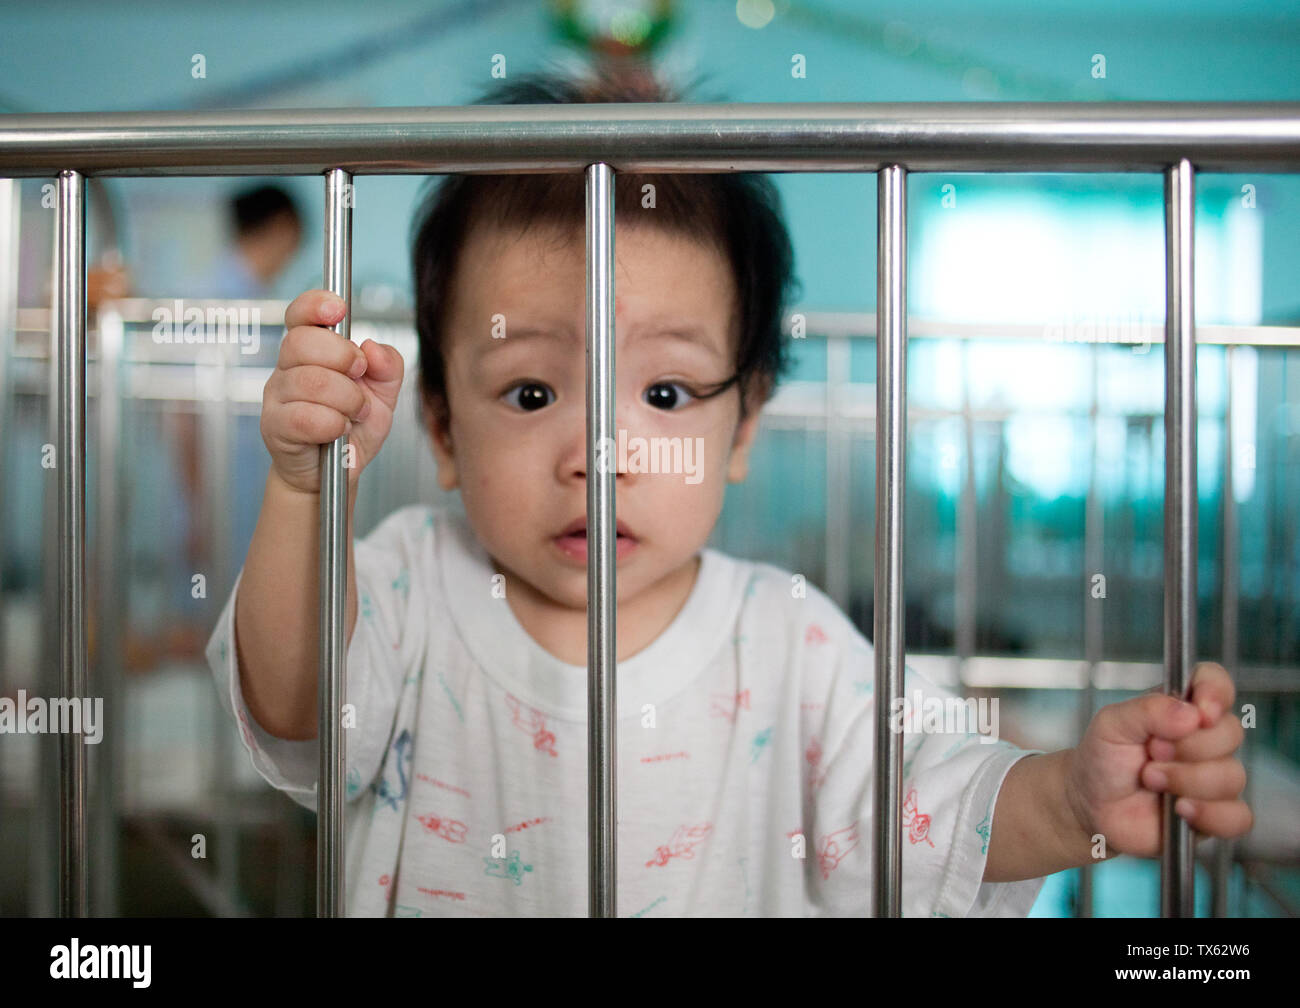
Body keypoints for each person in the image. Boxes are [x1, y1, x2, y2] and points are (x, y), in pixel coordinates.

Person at [205, 65, 1251, 917]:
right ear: (440, 426)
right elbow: (297, 706)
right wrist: (306, 490)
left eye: (663, 390)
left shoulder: (787, 644)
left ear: (741, 424)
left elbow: (938, 807)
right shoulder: (403, 586)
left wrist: (1071, 797)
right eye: (531, 390)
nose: (600, 452)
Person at [210, 184, 303, 299]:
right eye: (295, 239)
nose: (293, 254)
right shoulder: (222, 293)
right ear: (281, 228)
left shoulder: (254, 289)